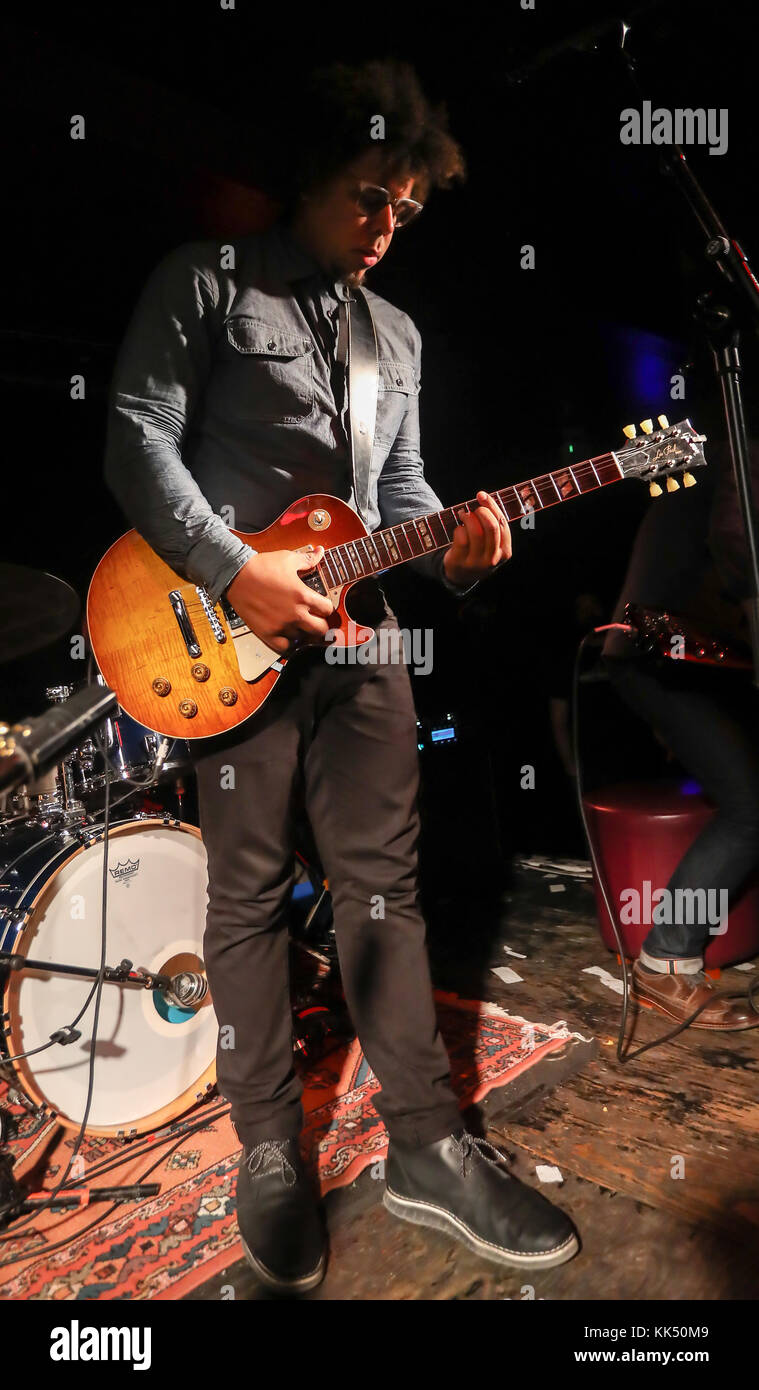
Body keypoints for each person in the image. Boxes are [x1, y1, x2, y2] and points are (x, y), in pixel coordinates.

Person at [104, 59, 579, 1292]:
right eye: (367, 198)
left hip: (363, 645)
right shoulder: (203, 282)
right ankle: (271, 1145)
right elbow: (135, 441)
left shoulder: (398, 337)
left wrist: (466, 556)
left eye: (405, 213)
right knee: (248, 895)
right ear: (310, 179)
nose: (384, 228)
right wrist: (232, 570)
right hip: (225, 640)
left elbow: (403, 502)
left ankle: (426, 1143)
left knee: (385, 887)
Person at [603, 433, 759, 1031]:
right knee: (751, 806)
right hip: (659, 655)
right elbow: (735, 549)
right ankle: (664, 960)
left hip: (690, 657)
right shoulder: (732, 452)